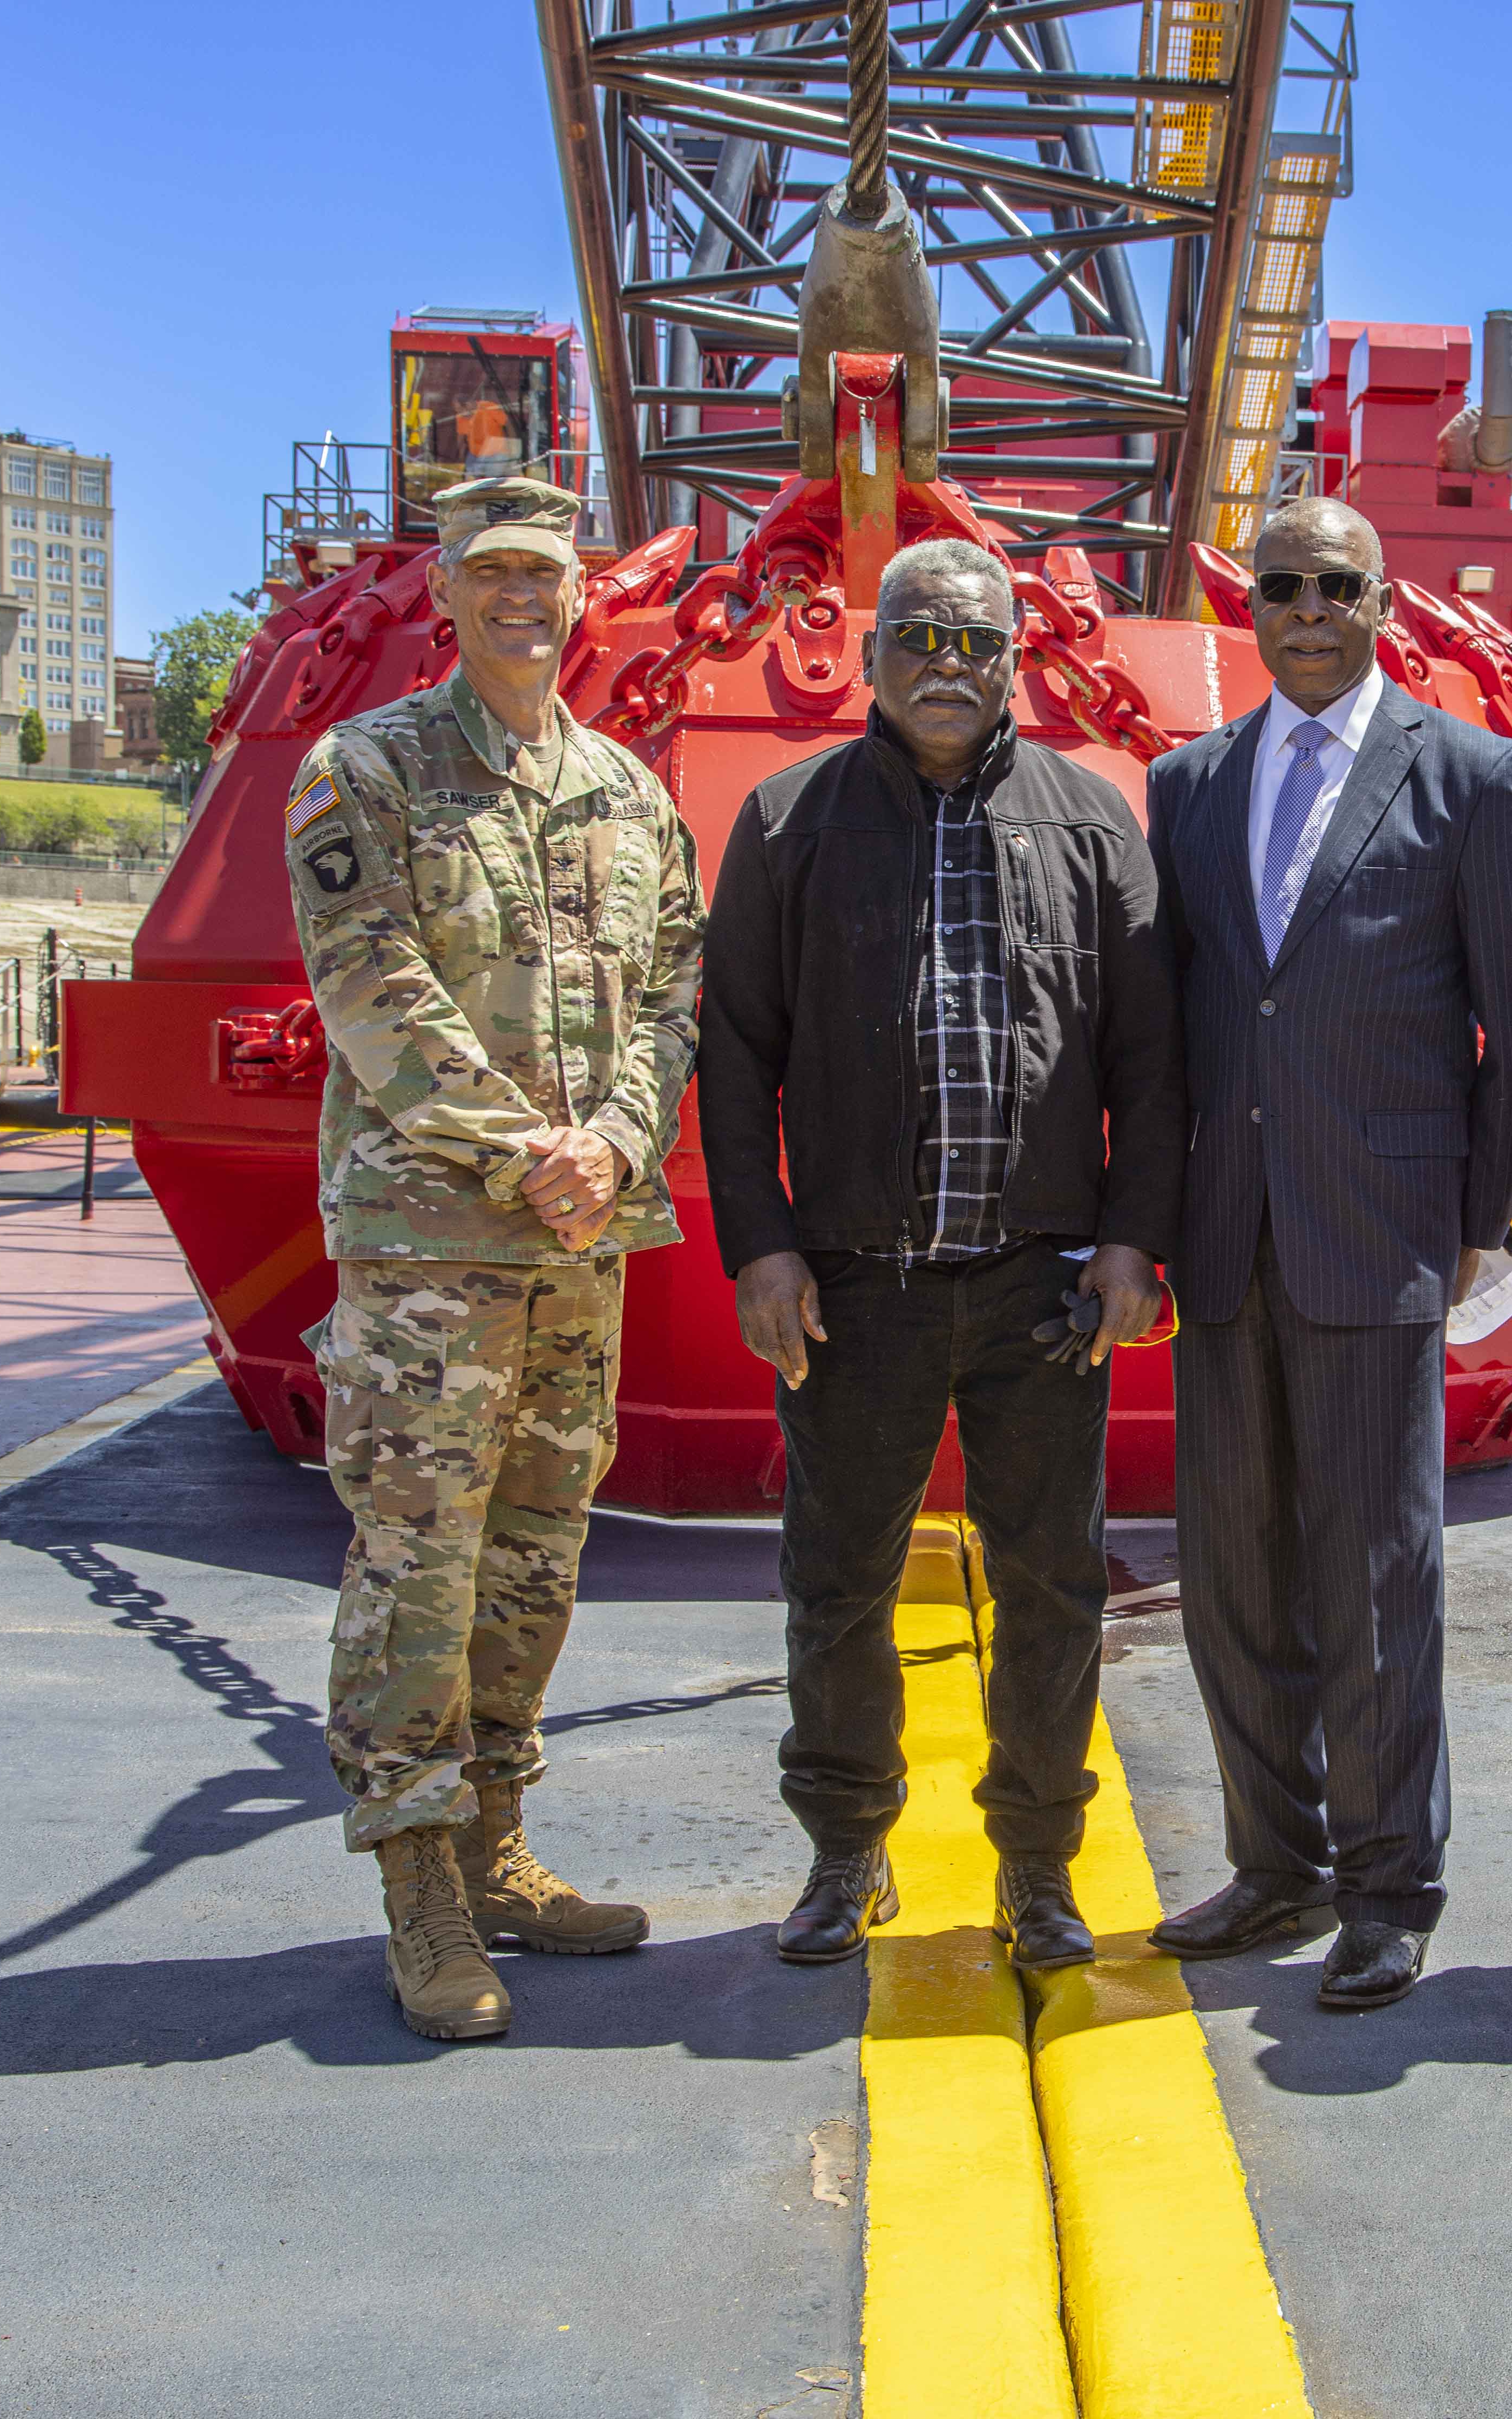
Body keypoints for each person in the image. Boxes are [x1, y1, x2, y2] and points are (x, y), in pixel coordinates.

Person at [696, 536, 1184, 1972]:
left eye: (977, 642)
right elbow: (735, 1055)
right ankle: (849, 1853)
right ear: (871, 656)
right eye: (920, 638)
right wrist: (762, 1245)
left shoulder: (1095, 825)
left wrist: (1130, 1242)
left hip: (1042, 1290)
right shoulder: (789, 823)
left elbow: (1151, 1066)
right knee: (837, 1578)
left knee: (1052, 1586)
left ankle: (1039, 1864)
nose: (948, 666)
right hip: (856, 1290)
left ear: (1016, 657)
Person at [286, 474, 704, 2041]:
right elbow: (372, 982)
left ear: (581, 591)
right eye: (493, 574)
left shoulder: (629, 793)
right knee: (416, 1557)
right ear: (448, 596)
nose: (523, 596)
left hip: (580, 1235)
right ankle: (419, 1888)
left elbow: (676, 988)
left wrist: (612, 1138)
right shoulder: (369, 770)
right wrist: (520, 1145)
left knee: (537, 1546)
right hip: (432, 1249)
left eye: (546, 571)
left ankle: (499, 1839)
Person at [1142, 497, 1512, 2011]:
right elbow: (1175, 1025)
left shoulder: (1468, 776)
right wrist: (1148, 1228)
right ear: (1248, 607)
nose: (1307, 609)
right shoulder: (1185, 786)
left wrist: (1469, 1223)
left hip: (1380, 1235)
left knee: (1379, 1572)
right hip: (1223, 1240)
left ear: (1381, 599)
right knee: (1234, 1573)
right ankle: (1277, 1863)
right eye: (1280, 587)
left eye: (1336, 585)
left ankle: (1391, 1887)